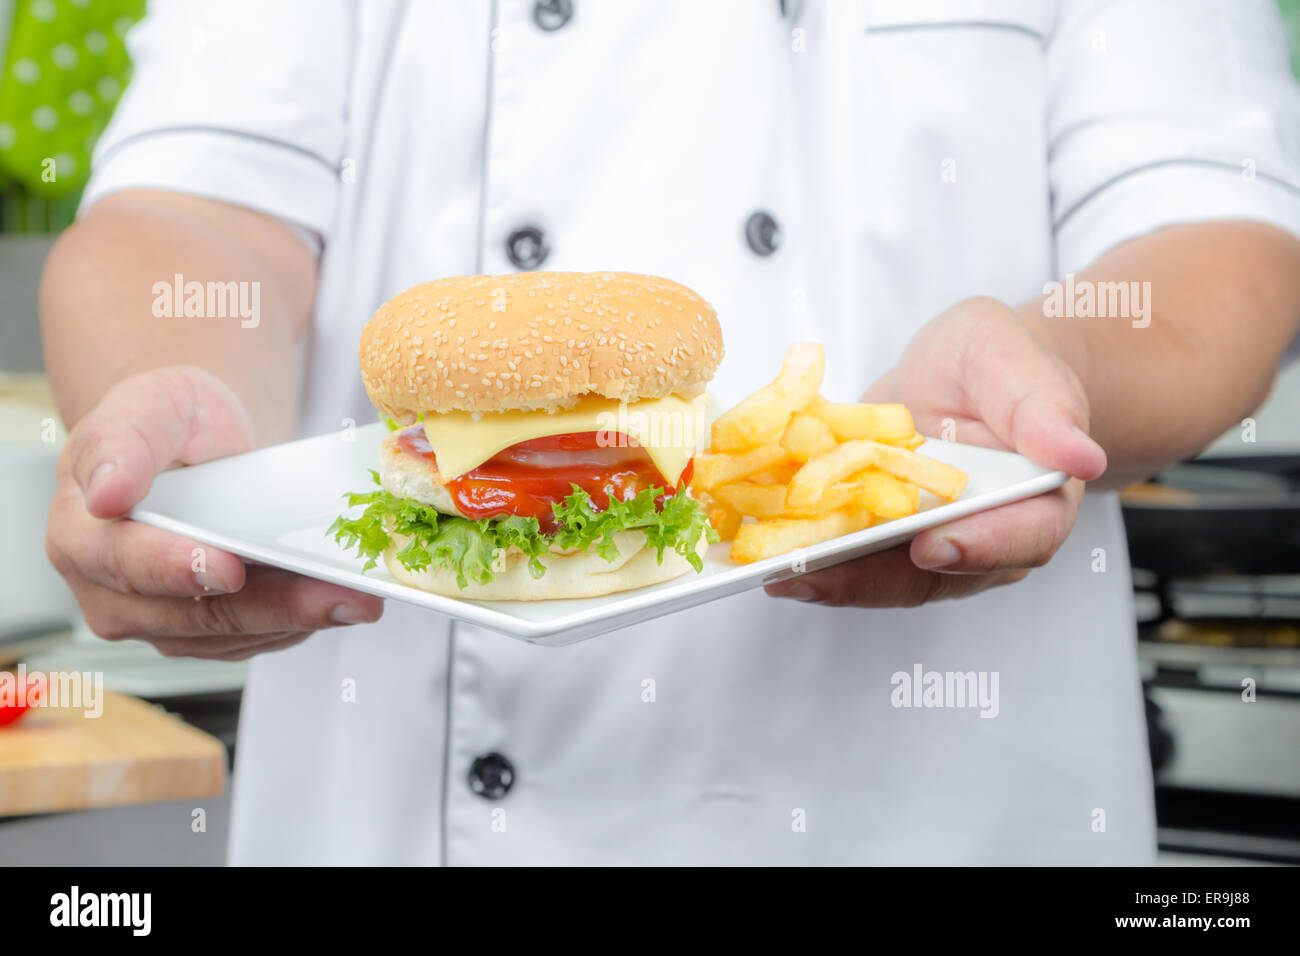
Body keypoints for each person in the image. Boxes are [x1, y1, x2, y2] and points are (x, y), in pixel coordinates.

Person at [40, 1, 1300, 865]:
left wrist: (1052, 371)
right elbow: (202, 203)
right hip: (398, 798)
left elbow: (1209, 229)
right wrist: (173, 383)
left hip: (942, 805)